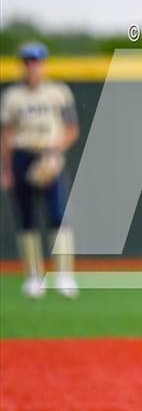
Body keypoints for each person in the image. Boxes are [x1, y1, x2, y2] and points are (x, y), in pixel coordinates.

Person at [0, 42, 80, 298]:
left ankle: (64, 275)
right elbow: (7, 135)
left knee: (58, 215)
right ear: (22, 65)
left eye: (35, 61)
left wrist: (55, 151)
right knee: (26, 218)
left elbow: (71, 129)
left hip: (49, 154)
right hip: (22, 155)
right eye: (27, 61)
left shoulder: (58, 92)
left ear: (42, 64)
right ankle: (33, 277)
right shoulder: (13, 97)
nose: (31, 66)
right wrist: (6, 170)